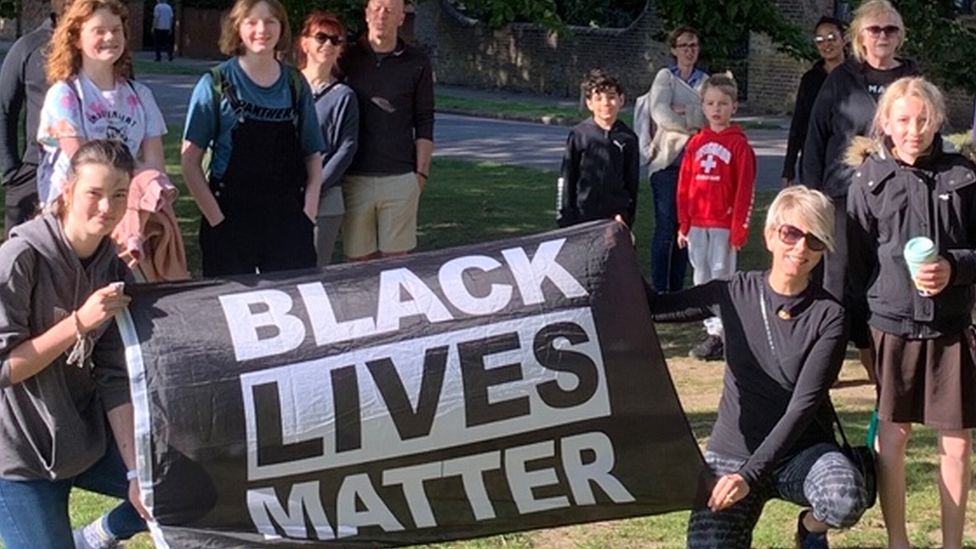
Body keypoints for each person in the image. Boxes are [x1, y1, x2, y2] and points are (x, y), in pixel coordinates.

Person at [647, 185, 868, 549]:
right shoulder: (733, 291)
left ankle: (810, 529)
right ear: (770, 235)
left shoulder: (830, 315)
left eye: (814, 240)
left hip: (801, 453)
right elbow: (654, 308)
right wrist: (616, 245)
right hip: (732, 452)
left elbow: (802, 407)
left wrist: (749, 476)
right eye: (791, 233)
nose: (800, 248)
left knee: (844, 497)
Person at [847, 76, 976, 549]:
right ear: (886, 122)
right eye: (903, 120)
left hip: (950, 328)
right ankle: (897, 541)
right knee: (894, 437)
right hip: (891, 326)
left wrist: (955, 267)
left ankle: (952, 544)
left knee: (958, 442)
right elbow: (856, 266)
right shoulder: (868, 179)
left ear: (938, 120)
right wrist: (862, 339)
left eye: (923, 120)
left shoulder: (964, 174)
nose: (914, 129)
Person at [0, 140, 148, 549]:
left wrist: (137, 475)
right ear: (67, 191)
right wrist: (79, 322)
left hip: (85, 440)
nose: (107, 207)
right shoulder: (19, 258)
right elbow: (4, 369)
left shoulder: (114, 268)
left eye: (119, 195)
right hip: (18, 457)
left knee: (176, 491)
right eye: (94, 193)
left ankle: (100, 535)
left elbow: (116, 376)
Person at [801, 0, 919, 382]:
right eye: (874, 30)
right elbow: (815, 136)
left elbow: (928, 130)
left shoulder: (912, 80)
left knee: (890, 272)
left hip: (897, 191)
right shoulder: (840, 79)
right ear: (859, 37)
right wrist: (810, 194)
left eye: (890, 30)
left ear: (900, 36)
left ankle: (887, 360)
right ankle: (829, 360)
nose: (882, 36)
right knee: (837, 280)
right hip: (842, 192)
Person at [182, 0, 324, 277]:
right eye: (252, 21)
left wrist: (308, 214)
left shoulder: (295, 84)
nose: (262, 29)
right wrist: (217, 222)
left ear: (281, 28)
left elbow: (313, 156)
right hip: (229, 219)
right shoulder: (214, 84)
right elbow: (189, 164)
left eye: (271, 21)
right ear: (237, 27)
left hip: (288, 219)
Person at [37, 0, 167, 209]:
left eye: (116, 30)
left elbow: (156, 165)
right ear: (77, 38)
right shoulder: (64, 95)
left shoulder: (142, 96)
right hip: (75, 218)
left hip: (127, 212)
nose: (110, 37)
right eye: (99, 31)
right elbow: (83, 162)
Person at [339, 0, 435, 261]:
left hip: (400, 177)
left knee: (396, 267)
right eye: (377, 8)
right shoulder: (345, 57)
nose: (382, 15)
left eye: (390, 10)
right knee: (358, 265)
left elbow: (425, 119)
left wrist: (421, 174)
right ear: (367, 14)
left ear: (402, 18)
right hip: (354, 177)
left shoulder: (417, 62)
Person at [676, 73, 756, 361]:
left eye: (723, 103)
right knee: (701, 277)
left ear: (733, 106)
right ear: (703, 106)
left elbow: (745, 190)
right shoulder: (695, 144)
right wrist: (684, 223)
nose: (716, 109)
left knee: (722, 275)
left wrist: (739, 228)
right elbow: (685, 186)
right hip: (698, 223)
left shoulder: (739, 146)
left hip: (723, 223)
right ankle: (712, 330)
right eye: (710, 103)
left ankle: (725, 332)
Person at [638, 26, 707, 293]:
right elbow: (660, 113)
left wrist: (684, 110)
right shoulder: (665, 77)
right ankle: (660, 288)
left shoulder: (706, 81)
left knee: (685, 228)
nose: (689, 50)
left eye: (693, 45)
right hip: (666, 164)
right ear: (674, 50)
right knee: (665, 227)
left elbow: (709, 117)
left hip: (694, 165)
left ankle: (676, 289)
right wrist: (692, 119)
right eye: (684, 45)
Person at [0, 0, 71, 237]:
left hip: (91, 175)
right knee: (21, 263)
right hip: (34, 173)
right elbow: (4, 110)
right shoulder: (28, 47)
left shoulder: (99, 48)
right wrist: (11, 173)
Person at [297, 10, 359, 266]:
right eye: (321, 37)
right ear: (305, 42)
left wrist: (314, 187)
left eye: (336, 40)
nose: (328, 45)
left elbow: (347, 147)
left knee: (312, 270)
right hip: (282, 194)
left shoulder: (344, 96)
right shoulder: (286, 84)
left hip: (326, 200)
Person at [557, 69, 639, 229]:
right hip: (582, 215)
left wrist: (626, 216)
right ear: (589, 103)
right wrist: (566, 217)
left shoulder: (628, 138)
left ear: (621, 100)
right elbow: (567, 177)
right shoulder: (580, 134)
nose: (605, 103)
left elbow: (632, 182)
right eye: (598, 98)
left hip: (614, 217)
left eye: (611, 97)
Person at [781, 16, 846, 187]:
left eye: (832, 38)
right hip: (814, 157)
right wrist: (789, 167)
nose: (826, 44)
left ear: (843, 39)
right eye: (820, 40)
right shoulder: (810, 80)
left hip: (846, 159)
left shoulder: (856, 75)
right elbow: (799, 123)